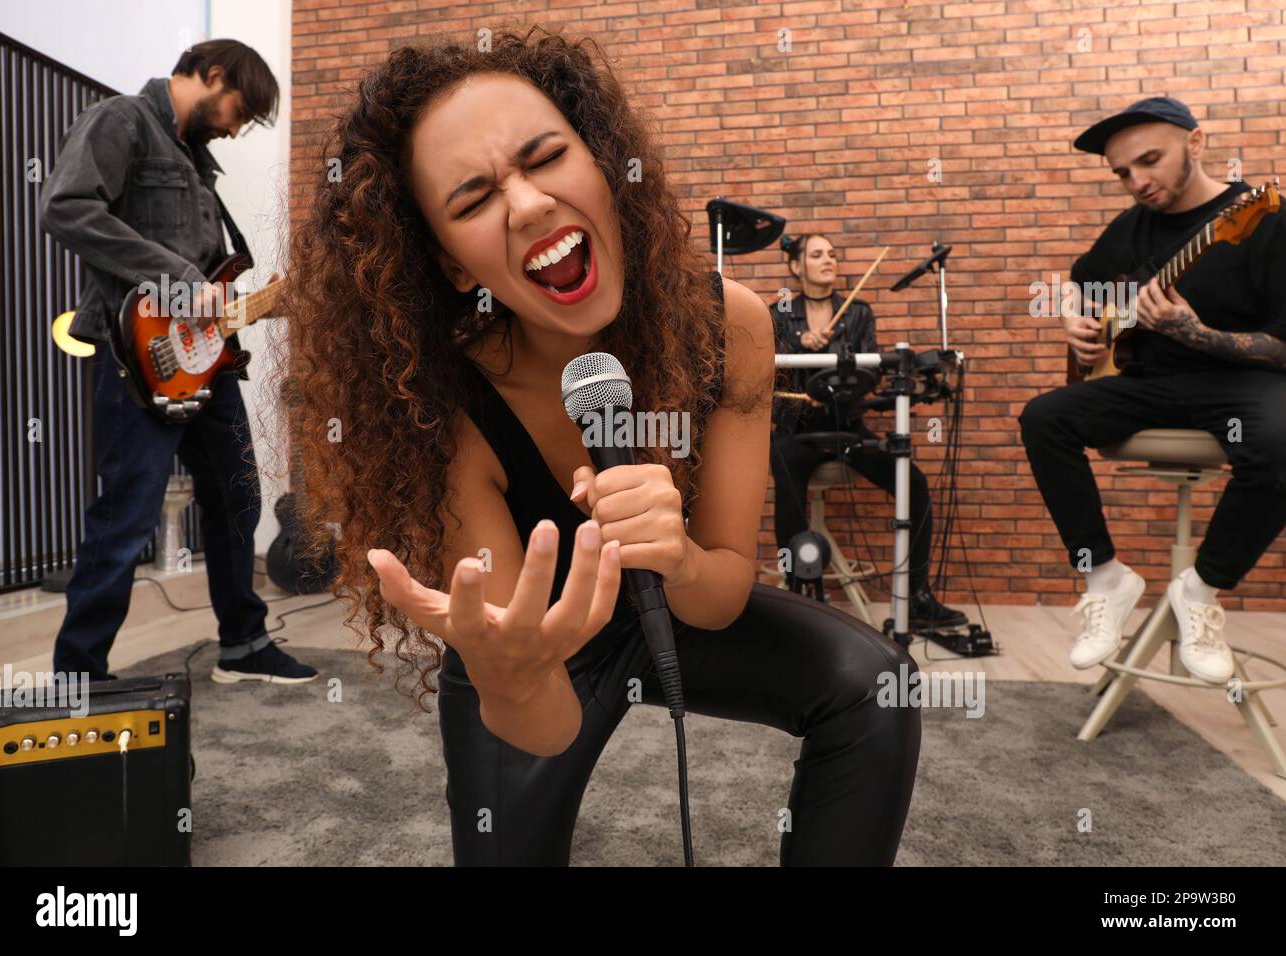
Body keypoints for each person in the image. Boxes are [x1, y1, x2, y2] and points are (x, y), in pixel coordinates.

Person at [283, 26, 921, 866]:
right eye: (473, 201)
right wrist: (510, 668)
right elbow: (544, 722)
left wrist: (682, 561)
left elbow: (722, 592)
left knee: (878, 684)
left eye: (546, 156)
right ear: (451, 264)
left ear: (604, 162)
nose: (528, 204)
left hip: (674, 610)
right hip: (530, 648)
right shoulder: (449, 407)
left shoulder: (729, 327)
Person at [41, 40, 316, 684]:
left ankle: (244, 647)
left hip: (206, 361)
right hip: (132, 357)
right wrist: (177, 277)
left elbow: (205, 285)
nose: (235, 128)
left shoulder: (199, 163)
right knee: (127, 515)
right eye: (238, 110)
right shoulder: (121, 121)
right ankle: (78, 676)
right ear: (212, 75)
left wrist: (250, 305)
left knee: (237, 498)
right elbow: (65, 206)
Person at [1019, 96, 1286, 683]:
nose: (1137, 182)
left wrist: (1199, 333)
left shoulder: (1261, 219)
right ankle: (1106, 578)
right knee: (1043, 419)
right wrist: (1078, 322)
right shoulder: (1129, 229)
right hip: (1148, 383)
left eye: (1149, 161)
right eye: (1122, 173)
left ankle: (1203, 589)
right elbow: (1083, 283)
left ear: (1195, 142)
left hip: (1245, 385)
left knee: (1281, 443)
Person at [769, 233, 966, 628]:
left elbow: (873, 372)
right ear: (796, 266)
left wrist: (842, 362)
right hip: (798, 428)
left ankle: (918, 599)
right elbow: (766, 374)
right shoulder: (779, 314)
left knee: (915, 484)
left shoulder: (857, 312)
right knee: (785, 469)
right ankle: (797, 593)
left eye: (833, 254)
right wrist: (800, 343)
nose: (829, 260)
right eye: (817, 254)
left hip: (848, 426)